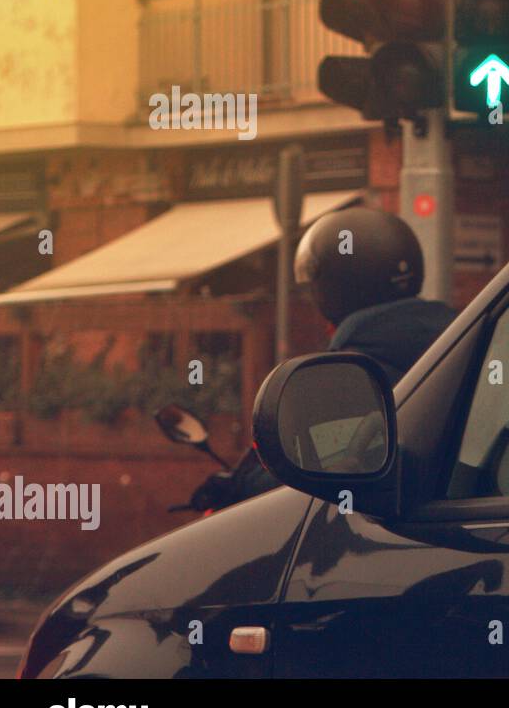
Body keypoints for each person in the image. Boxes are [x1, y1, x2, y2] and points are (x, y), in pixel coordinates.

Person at [192, 206, 457, 510]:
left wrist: (239, 488)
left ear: (333, 287)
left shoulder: (343, 377)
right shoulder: (466, 340)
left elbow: (313, 472)